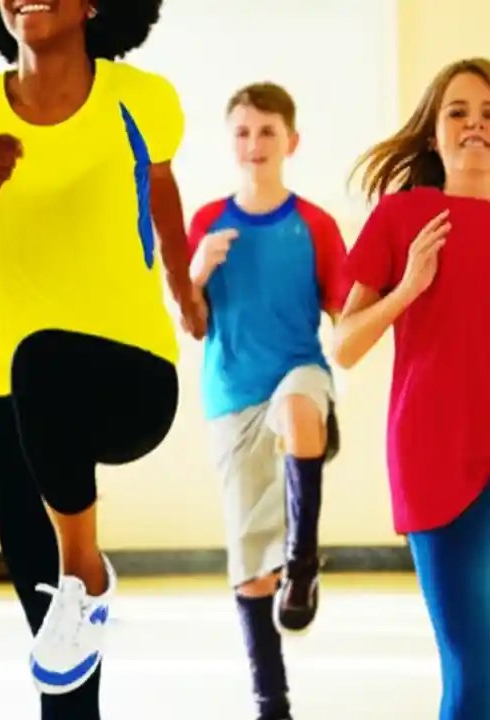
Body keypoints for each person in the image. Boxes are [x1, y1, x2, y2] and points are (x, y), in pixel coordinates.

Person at [0, 1, 204, 717]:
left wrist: (183, 286)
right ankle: (77, 598)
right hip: (16, 398)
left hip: (131, 373)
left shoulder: (143, 98)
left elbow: (162, 190)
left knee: (43, 354)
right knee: (59, 645)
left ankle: (85, 566)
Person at [332, 57, 490, 720]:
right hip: (436, 456)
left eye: (488, 115)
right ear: (433, 133)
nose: (475, 126)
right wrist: (408, 289)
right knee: (474, 666)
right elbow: (344, 344)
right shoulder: (403, 217)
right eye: (458, 112)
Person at [187, 82, 349, 720]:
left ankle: (303, 558)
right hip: (230, 397)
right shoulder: (206, 222)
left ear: (292, 141)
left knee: (301, 410)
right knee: (251, 569)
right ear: (230, 142)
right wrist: (196, 271)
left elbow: (346, 313)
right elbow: (194, 322)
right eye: (243, 132)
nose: (254, 144)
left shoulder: (314, 224)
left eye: (267, 132)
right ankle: (271, 700)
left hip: (298, 372)